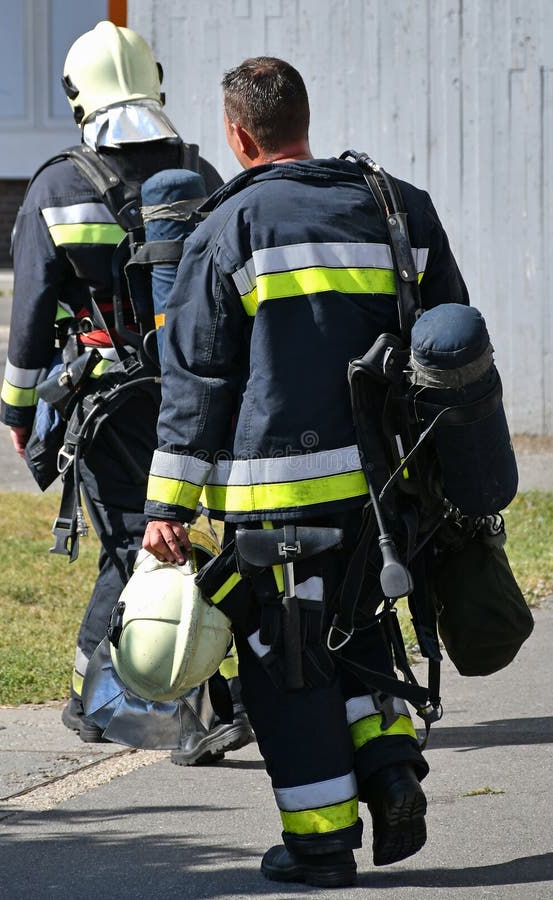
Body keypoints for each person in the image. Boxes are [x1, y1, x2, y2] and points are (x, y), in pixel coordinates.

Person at [143, 56, 469, 887]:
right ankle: (391, 766)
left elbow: (196, 379)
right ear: (302, 121)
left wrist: (167, 504)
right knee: (357, 631)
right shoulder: (399, 206)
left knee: (288, 666)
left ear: (238, 133)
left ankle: (321, 845)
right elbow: (447, 348)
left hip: (277, 500)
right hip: (384, 492)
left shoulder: (229, 227)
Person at [0, 21, 253, 763]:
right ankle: (208, 695)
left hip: (106, 406)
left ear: (78, 95)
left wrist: (20, 412)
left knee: (128, 547)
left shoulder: (57, 183)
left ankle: (107, 700)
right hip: (198, 397)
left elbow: (30, 317)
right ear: (155, 83)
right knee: (198, 538)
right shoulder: (202, 173)